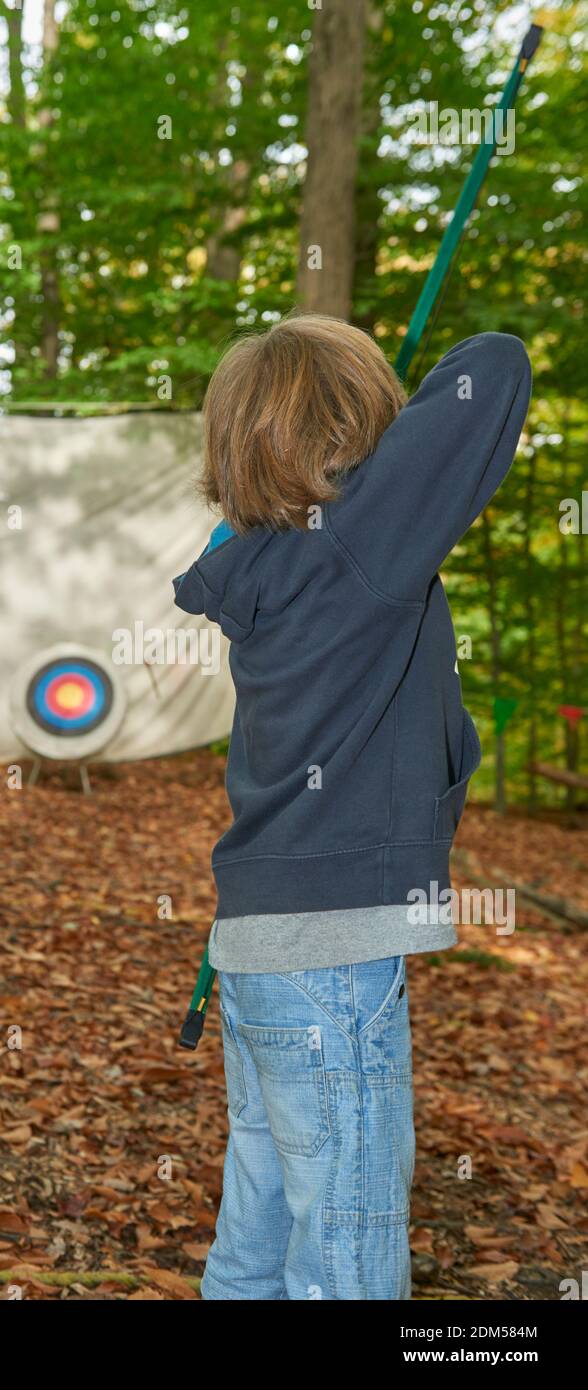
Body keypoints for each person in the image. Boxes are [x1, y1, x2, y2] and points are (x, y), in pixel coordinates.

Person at [173, 314, 531, 1300]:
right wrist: (380, 439)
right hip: (328, 963)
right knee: (347, 1251)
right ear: (354, 439)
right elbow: (494, 363)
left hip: (261, 954)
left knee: (263, 1223)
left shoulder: (265, 557)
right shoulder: (356, 548)